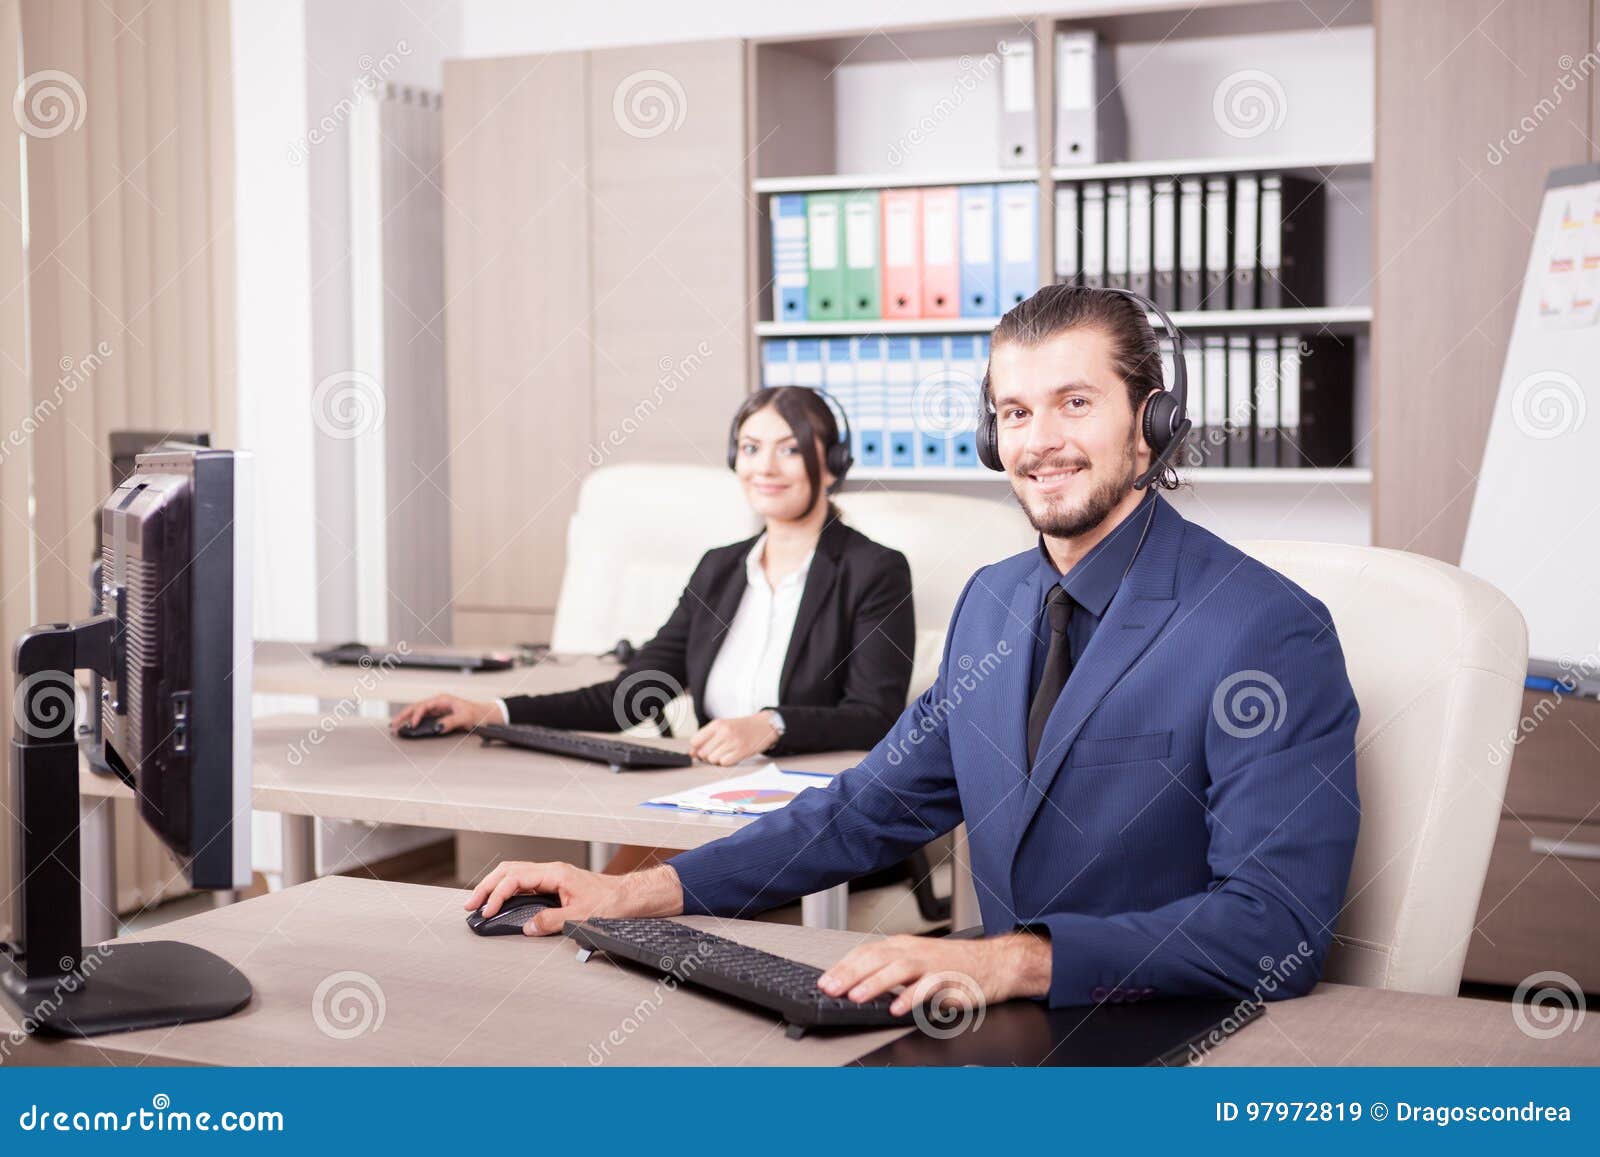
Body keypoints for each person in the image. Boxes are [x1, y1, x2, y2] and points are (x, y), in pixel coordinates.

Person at [464, 285, 1362, 1013]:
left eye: (1074, 403)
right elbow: (864, 809)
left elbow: (1275, 928)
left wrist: (1014, 963)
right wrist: (631, 892)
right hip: (991, 1015)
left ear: (1150, 423)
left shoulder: (1263, 626)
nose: (1039, 440)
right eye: (1014, 410)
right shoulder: (994, 602)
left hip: (1163, 1030)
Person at [392, 384, 915, 767]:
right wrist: (489, 710)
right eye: (752, 448)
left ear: (833, 464)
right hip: (717, 793)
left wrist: (771, 724)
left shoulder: (873, 571)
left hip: (822, 805)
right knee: (599, 898)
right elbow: (630, 697)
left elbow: (875, 715)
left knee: (627, 895)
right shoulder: (720, 570)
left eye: (791, 448)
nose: (766, 467)